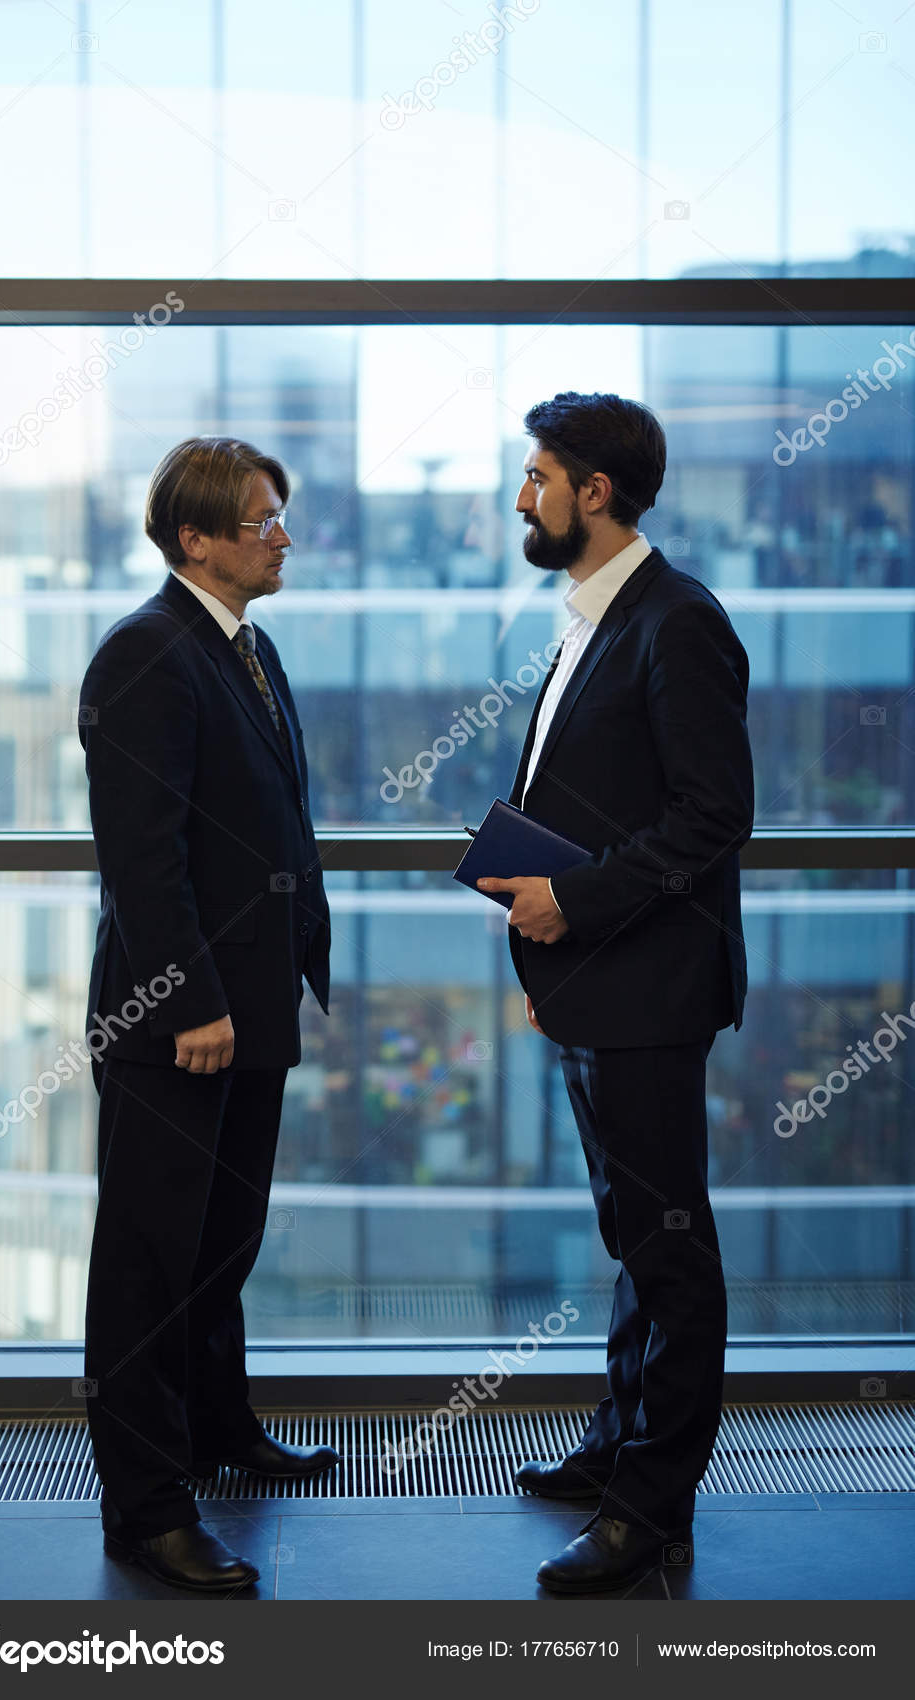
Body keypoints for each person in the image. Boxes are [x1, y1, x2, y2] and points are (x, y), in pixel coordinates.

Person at [476, 392, 753, 1595]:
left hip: (648, 987)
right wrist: (543, 924)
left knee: (670, 1248)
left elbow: (711, 814)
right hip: (596, 982)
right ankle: (619, 1444)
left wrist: (571, 905)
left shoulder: (677, 620)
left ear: (595, 492)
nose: (522, 497)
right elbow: (594, 793)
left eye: (538, 476)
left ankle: (653, 1506)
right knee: (633, 1238)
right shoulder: (594, 615)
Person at [79, 436, 336, 1594]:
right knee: (144, 1260)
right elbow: (142, 857)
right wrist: (186, 998)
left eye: (279, 516)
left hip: (252, 1006)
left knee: (220, 1243)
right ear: (197, 538)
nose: (282, 534)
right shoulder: (144, 653)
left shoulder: (248, 646)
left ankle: (219, 1429)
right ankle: (145, 1505)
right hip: (176, 1020)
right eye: (262, 520)